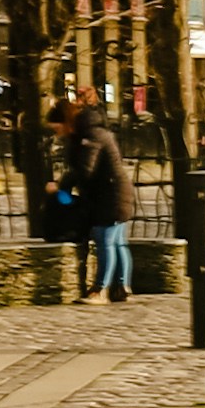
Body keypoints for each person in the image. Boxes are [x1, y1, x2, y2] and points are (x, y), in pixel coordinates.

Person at [62, 96, 134, 301]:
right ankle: (122, 286)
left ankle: (100, 289)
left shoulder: (91, 136)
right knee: (118, 242)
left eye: (57, 127)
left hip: (109, 196)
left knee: (106, 242)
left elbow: (85, 169)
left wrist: (62, 187)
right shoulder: (97, 131)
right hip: (117, 191)